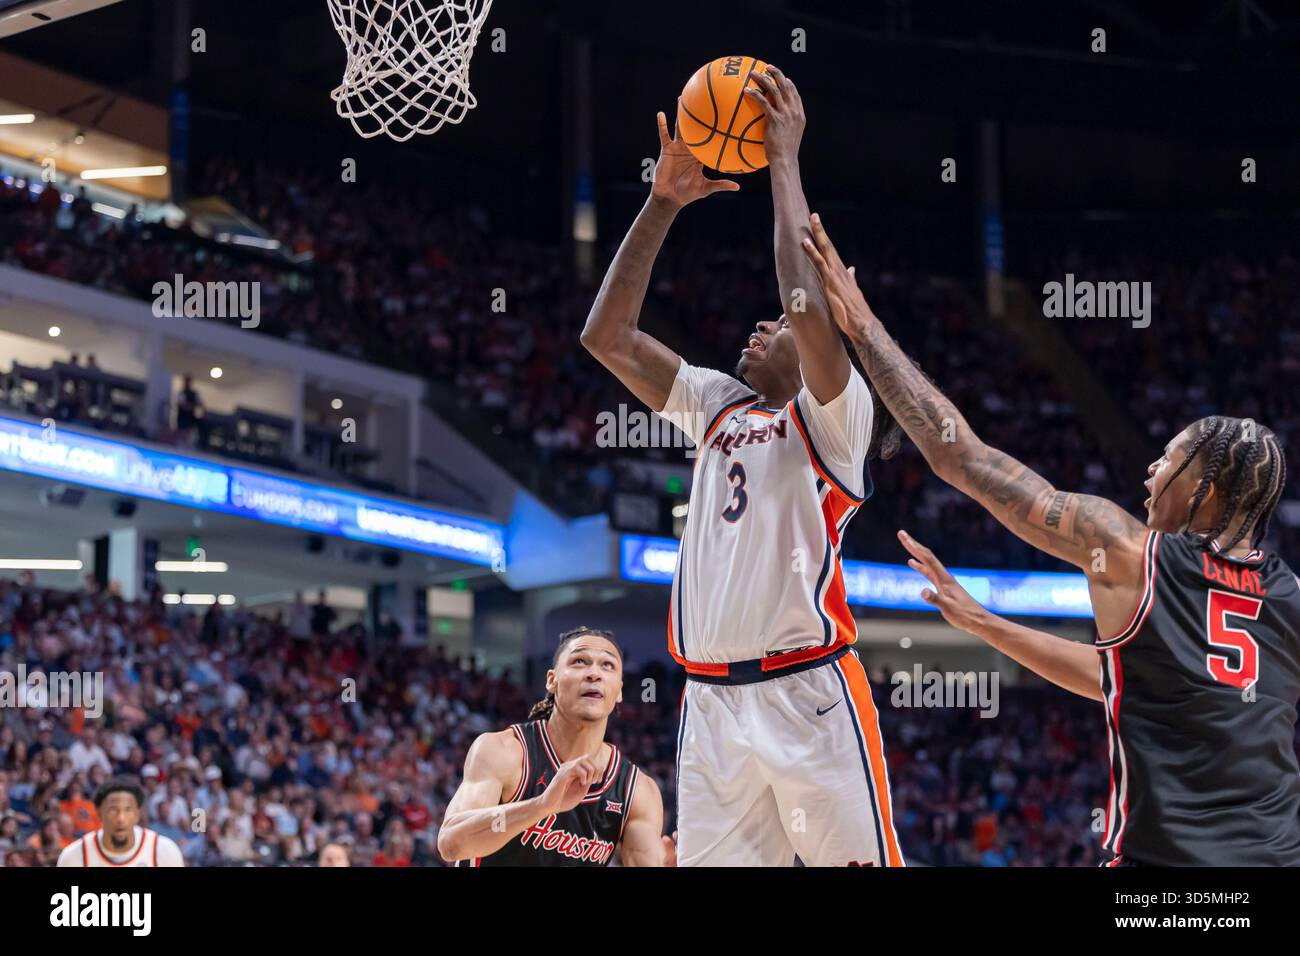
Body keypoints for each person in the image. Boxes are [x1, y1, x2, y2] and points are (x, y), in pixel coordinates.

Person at [801, 212, 1300, 866]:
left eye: (1169, 459)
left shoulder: (1129, 550)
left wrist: (866, 331)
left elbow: (966, 460)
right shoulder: (1288, 599)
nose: (1151, 469)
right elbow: (1115, 680)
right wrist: (988, 624)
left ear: (1205, 486)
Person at [581, 69, 906, 867]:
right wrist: (661, 204)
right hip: (712, 706)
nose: (762, 327)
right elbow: (607, 337)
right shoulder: (722, 405)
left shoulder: (838, 421)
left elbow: (801, 300)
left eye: (780, 326)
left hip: (810, 697)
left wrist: (783, 156)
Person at [437, 627, 670, 866]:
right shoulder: (504, 751)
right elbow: (450, 843)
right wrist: (542, 806)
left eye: (607, 665)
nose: (594, 673)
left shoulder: (638, 790)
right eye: (580, 661)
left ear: (619, 691)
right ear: (552, 680)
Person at [57, 776, 184, 867]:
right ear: (99, 813)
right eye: (113, 810)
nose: (121, 819)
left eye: (128, 809)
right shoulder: (74, 856)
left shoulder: (164, 851)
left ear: (137, 813)